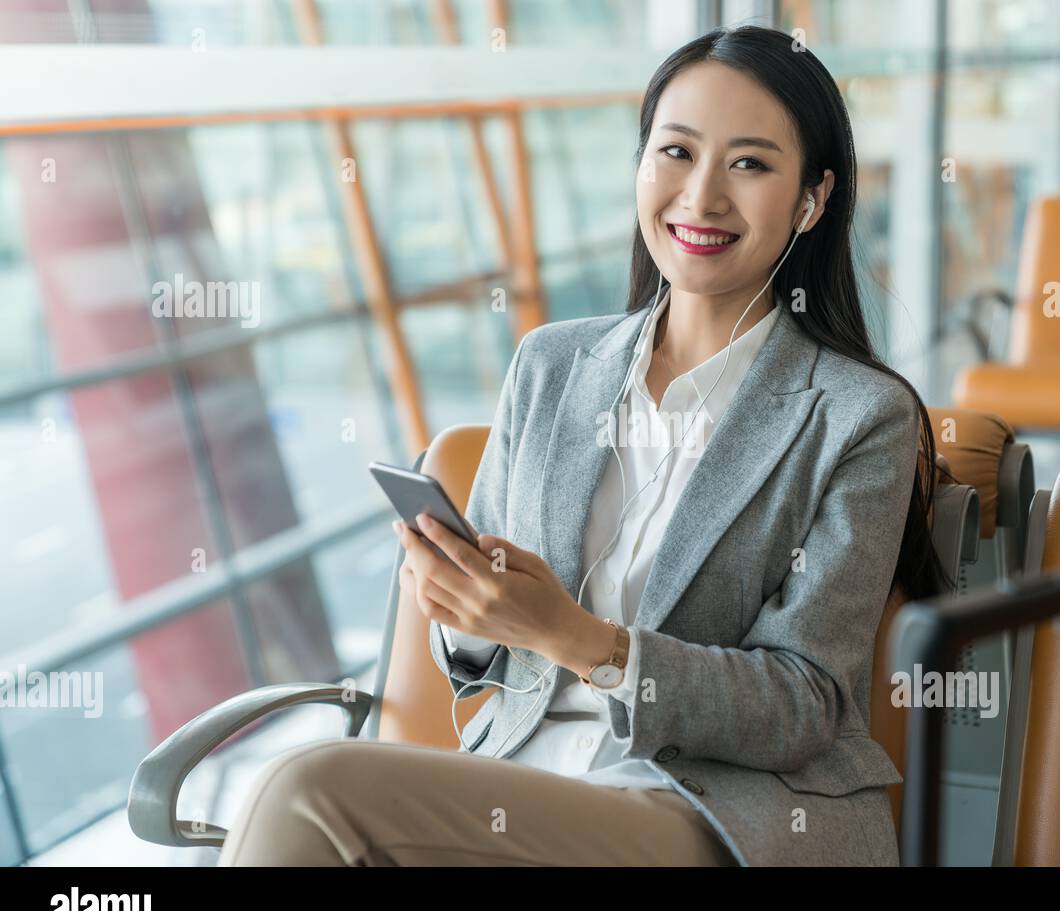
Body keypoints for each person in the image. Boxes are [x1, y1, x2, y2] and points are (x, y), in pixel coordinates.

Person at [217, 24, 947, 868]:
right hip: (521, 786)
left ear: (812, 200)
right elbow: (486, 657)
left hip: (716, 815)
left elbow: (804, 702)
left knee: (308, 792)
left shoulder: (859, 416)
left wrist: (582, 641)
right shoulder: (551, 365)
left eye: (749, 164)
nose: (701, 196)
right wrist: (462, 609)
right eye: (676, 151)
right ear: (641, 164)